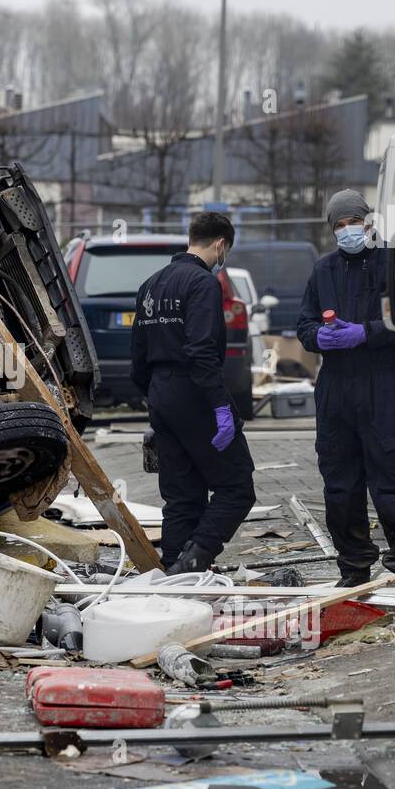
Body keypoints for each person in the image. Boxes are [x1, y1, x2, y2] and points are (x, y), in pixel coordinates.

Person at [297, 189, 395, 588]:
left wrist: (366, 333)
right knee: (340, 485)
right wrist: (321, 337)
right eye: (339, 225)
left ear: (368, 221)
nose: (348, 230)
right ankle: (353, 568)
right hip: (337, 392)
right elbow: (303, 326)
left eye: (353, 221)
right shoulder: (324, 271)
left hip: (387, 388)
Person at [131, 212, 256, 575]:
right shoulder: (203, 284)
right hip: (196, 393)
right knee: (237, 486)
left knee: (182, 494)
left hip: (160, 393)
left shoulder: (151, 285)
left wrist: (156, 396)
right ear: (220, 244)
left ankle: (176, 573)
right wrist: (220, 407)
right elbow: (202, 352)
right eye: (224, 251)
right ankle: (195, 557)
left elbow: (137, 357)